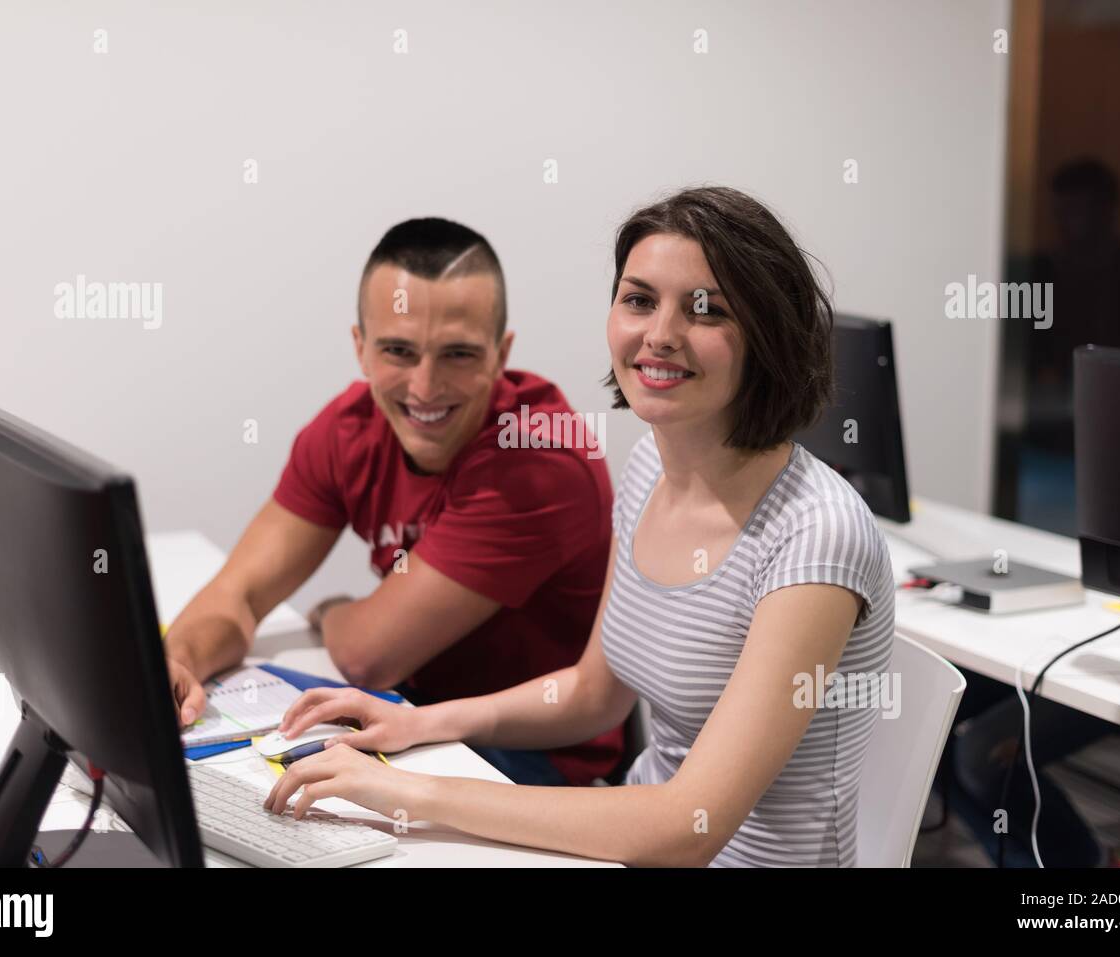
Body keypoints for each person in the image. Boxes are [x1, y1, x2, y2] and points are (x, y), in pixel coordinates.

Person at [263, 186, 897, 867]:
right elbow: (594, 692)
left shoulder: (816, 533)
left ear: (768, 334)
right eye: (640, 299)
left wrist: (409, 791)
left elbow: (688, 826)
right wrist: (423, 722)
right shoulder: (649, 475)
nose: (659, 334)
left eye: (706, 308)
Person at [164, 217, 623, 787]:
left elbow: (368, 656)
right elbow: (238, 595)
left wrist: (331, 611)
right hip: (403, 710)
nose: (425, 387)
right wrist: (178, 661)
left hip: (525, 757)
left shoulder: (538, 462)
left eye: (457, 354)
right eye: (399, 351)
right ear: (360, 347)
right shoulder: (347, 430)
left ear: (501, 354)